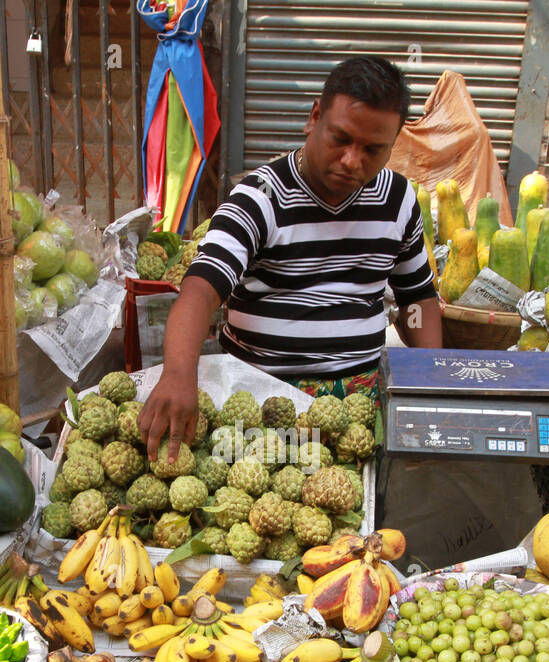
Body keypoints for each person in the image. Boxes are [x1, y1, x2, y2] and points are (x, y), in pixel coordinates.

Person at [139, 55, 442, 460]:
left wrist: (429, 380)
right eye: (341, 139)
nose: (353, 160)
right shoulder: (259, 199)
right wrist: (178, 374)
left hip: (357, 405)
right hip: (263, 404)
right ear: (314, 118)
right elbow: (200, 291)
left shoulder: (398, 200)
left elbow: (416, 298)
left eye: (373, 149)